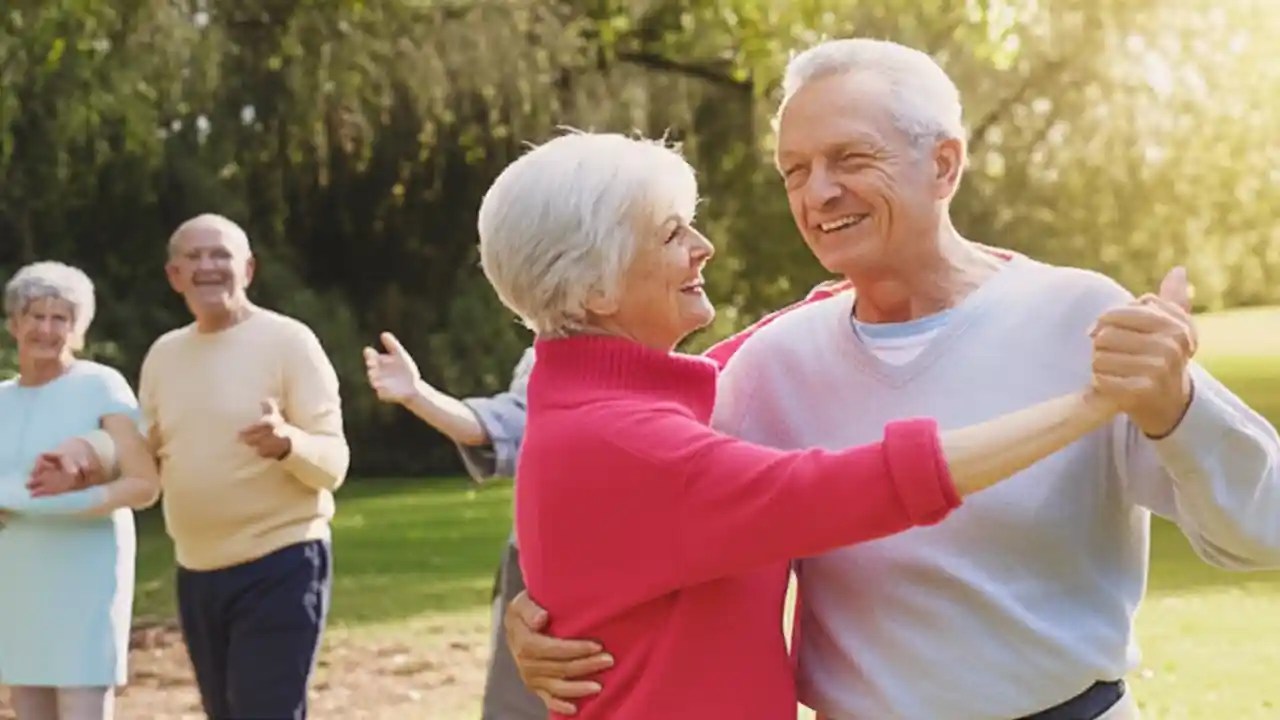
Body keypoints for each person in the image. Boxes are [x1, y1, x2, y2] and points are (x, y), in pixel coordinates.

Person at [507, 39, 1280, 719]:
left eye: (850, 159)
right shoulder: (768, 369)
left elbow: (1265, 528)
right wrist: (539, 615)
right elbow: (618, 493)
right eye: (795, 171)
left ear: (943, 163)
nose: (818, 194)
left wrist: (1176, 409)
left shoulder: (1080, 317)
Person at [470, 129, 1130, 719]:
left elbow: (741, 357)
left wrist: (922, 261)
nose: (705, 247)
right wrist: (1085, 409)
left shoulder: (603, 407)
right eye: (672, 234)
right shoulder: (624, 444)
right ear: (596, 290)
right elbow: (853, 488)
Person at [137, 214, 350, 720]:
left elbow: (334, 464)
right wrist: (85, 463)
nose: (207, 267)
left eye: (221, 255)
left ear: (248, 269)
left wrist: (287, 444)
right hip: (197, 573)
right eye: (194, 257)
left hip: (282, 560)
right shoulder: (164, 356)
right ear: (174, 276)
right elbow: (141, 449)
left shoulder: (289, 342)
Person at [0, 261, 161, 720]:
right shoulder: (1, 400)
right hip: (16, 575)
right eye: (36, 316)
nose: (47, 329)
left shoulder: (100, 385)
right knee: (28, 705)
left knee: (82, 705)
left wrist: (71, 504)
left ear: (79, 331)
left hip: (86, 570)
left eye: (61, 319)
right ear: (14, 323)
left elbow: (144, 484)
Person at [363, 334, 542, 719]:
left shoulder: (691, 372)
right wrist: (418, 395)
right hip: (538, 580)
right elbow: (505, 424)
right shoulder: (553, 358)